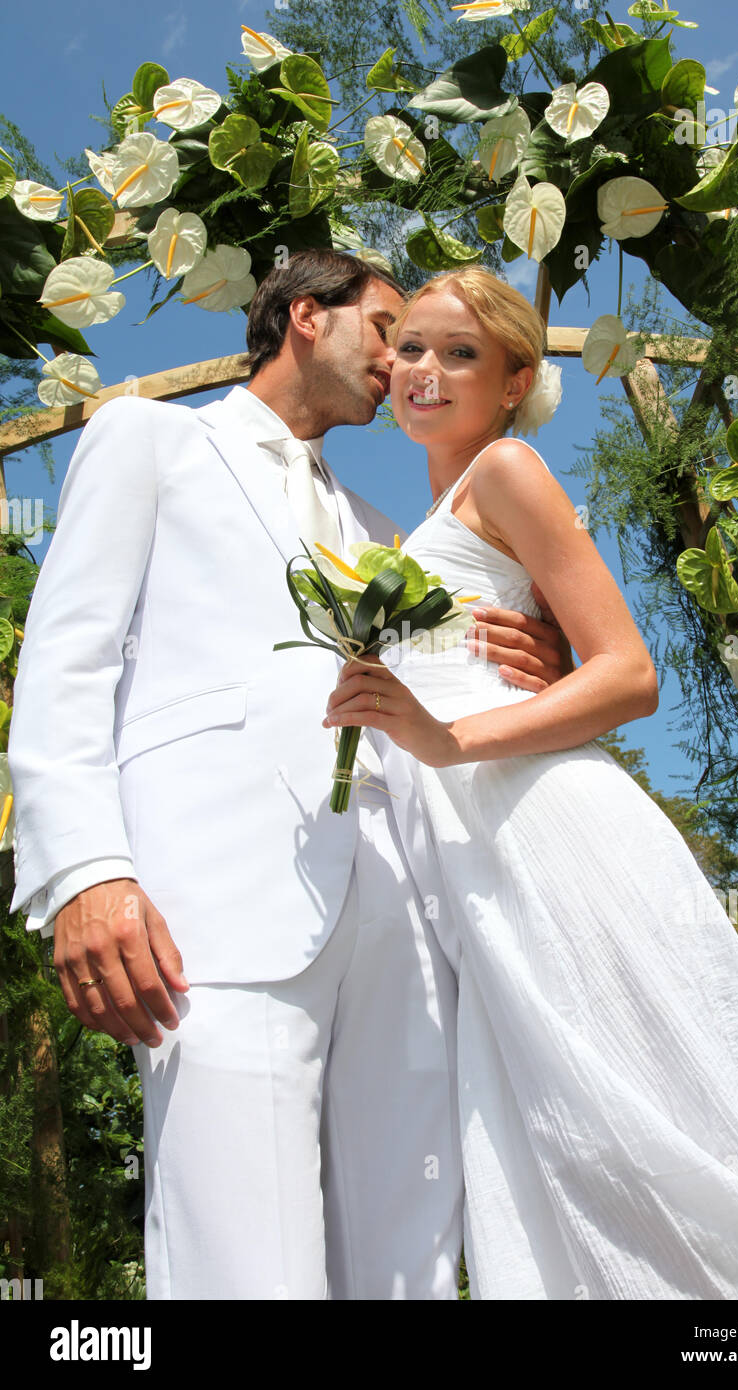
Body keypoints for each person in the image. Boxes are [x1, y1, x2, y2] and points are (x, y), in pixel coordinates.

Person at [6, 250, 569, 1300]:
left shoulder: (381, 530)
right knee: (244, 1249)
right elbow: (66, 661)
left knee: (410, 1237)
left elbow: (433, 691)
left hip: (398, 905)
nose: (402, 360)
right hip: (216, 901)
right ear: (305, 316)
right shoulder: (152, 438)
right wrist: (86, 870)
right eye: (389, 328)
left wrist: (531, 662)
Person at [322, 264, 738, 1300]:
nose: (422, 371)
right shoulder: (415, 522)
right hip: (474, 860)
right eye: (412, 349)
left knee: (639, 1122)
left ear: (516, 377)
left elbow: (630, 672)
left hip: (546, 830)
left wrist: (446, 739)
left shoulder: (508, 469)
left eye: (459, 353)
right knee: (555, 1145)